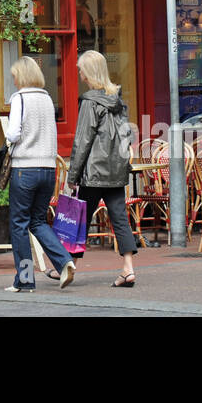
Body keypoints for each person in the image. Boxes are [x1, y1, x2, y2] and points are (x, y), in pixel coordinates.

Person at [4, 56, 75, 292]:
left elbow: (13, 133)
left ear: (21, 76)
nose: (13, 81)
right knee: (38, 220)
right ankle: (64, 261)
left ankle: (24, 280)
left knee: (19, 224)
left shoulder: (19, 98)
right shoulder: (47, 98)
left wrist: (7, 137)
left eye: (15, 76)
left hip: (24, 169)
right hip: (48, 169)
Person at [67, 49, 137, 287]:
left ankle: (68, 267)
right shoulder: (117, 100)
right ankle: (128, 268)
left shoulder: (90, 101)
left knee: (80, 220)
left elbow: (82, 140)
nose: (78, 72)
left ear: (88, 72)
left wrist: (72, 175)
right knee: (119, 218)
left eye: (80, 68)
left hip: (94, 172)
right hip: (116, 171)